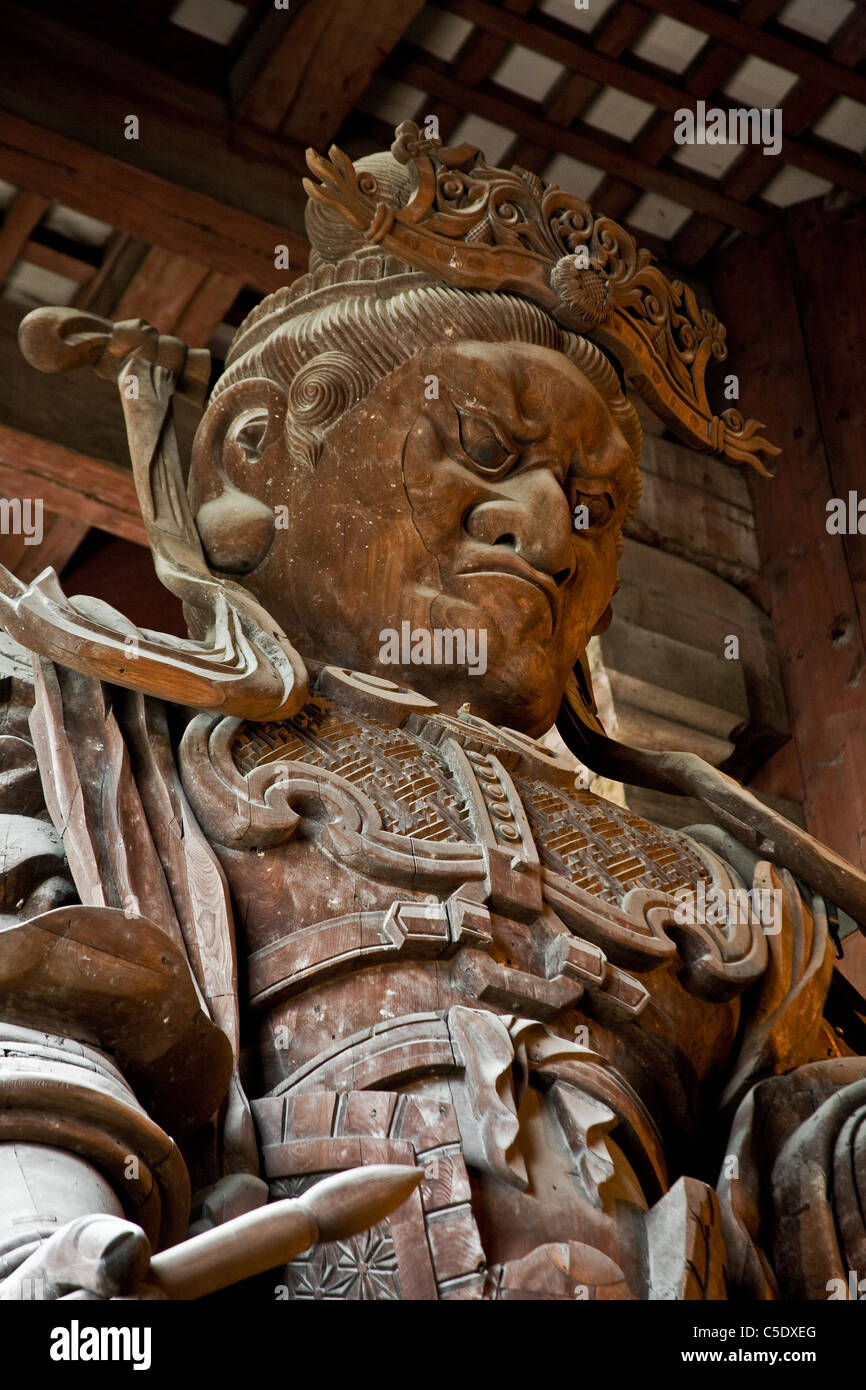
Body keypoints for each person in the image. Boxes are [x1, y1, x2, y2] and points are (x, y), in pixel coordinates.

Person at [1, 122, 864, 1301]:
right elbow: (32, 1017)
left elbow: (802, 1176)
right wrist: (47, 1245)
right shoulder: (104, 740)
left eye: (595, 499)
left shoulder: (727, 890)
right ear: (258, 451)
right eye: (484, 446)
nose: (550, 529)